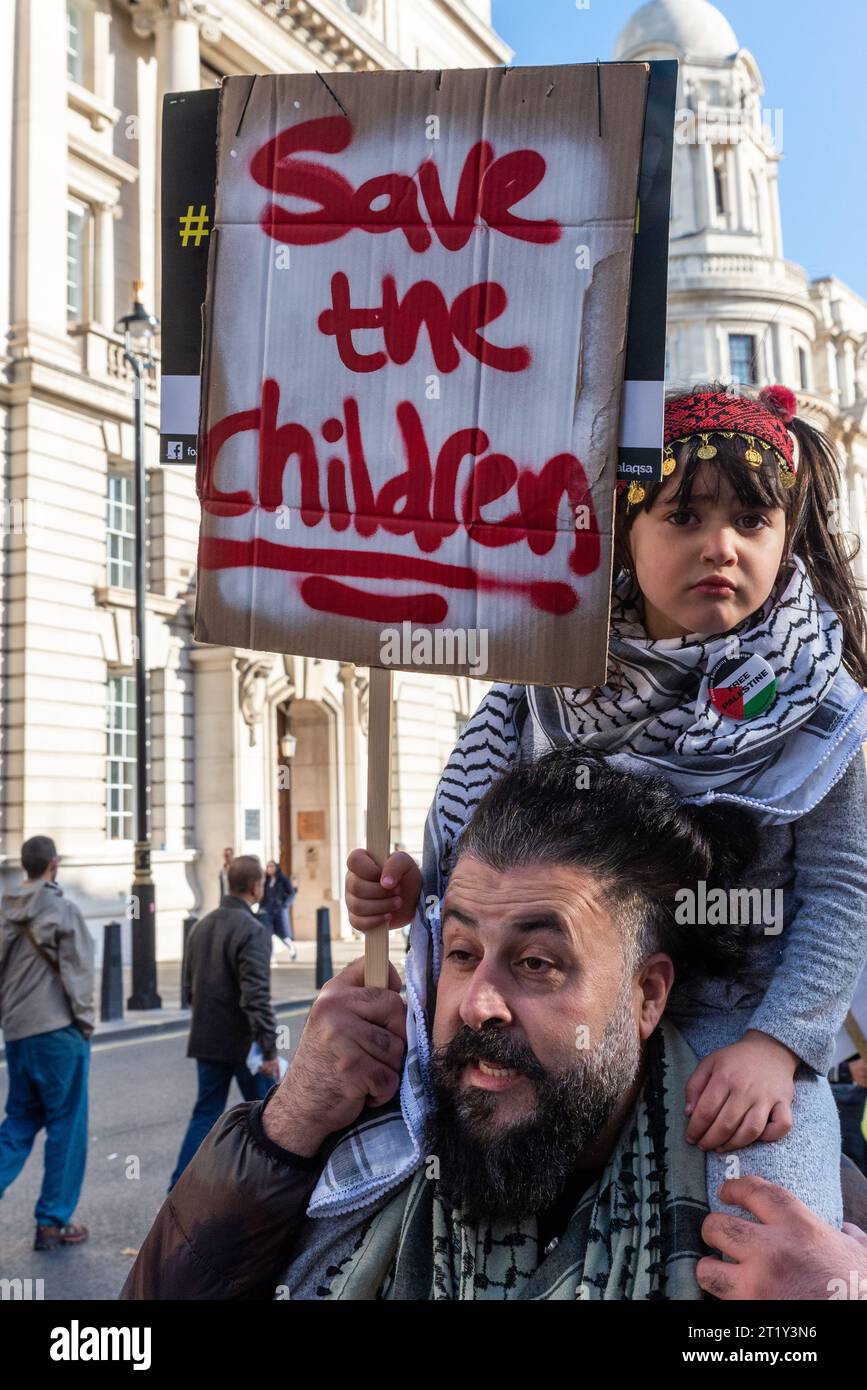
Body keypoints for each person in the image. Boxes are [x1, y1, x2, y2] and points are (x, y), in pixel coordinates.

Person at [347, 382, 867, 1231]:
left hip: (735, 1030)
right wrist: (415, 888)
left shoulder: (817, 698)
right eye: (682, 518)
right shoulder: (548, 674)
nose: (721, 547)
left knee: (775, 1249)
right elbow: (481, 847)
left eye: (750, 521)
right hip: (560, 1025)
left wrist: (777, 1049)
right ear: (624, 532)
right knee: (392, 1205)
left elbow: (841, 891)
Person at [121, 751, 867, 1300]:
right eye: (462, 951)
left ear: (645, 996)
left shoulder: (786, 1218)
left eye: (538, 963)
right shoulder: (364, 1155)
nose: (478, 1003)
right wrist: (283, 1132)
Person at [0, 835, 94, 1250]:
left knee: (19, 1121)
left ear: (24, 865)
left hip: (18, 1034)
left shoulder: (3, 910)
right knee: (66, 1127)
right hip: (58, 1032)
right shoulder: (62, 909)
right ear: (54, 863)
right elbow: (78, 975)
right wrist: (85, 1023)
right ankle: (53, 1221)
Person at [169, 855, 281, 1189]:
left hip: (207, 1038)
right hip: (244, 1043)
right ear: (256, 887)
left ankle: (179, 1186)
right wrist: (269, 1049)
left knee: (206, 1112)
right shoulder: (253, 929)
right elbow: (256, 996)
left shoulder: (202, 925)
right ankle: (268, 1187)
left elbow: (188, 988)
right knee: (269, 1119)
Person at [261, 860, 297, 960]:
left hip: (280, 911)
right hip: (268, 911)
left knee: (284, 935)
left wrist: (285, 905)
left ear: (276, 867)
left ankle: (292, 948)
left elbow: (292, 893)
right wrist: (261, 906)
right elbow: (263, 895)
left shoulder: (283, 879)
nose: (269, 869)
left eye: (272, 866)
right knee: (269, 935)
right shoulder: (266, 881)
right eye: (268, 867)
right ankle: (271, 958)